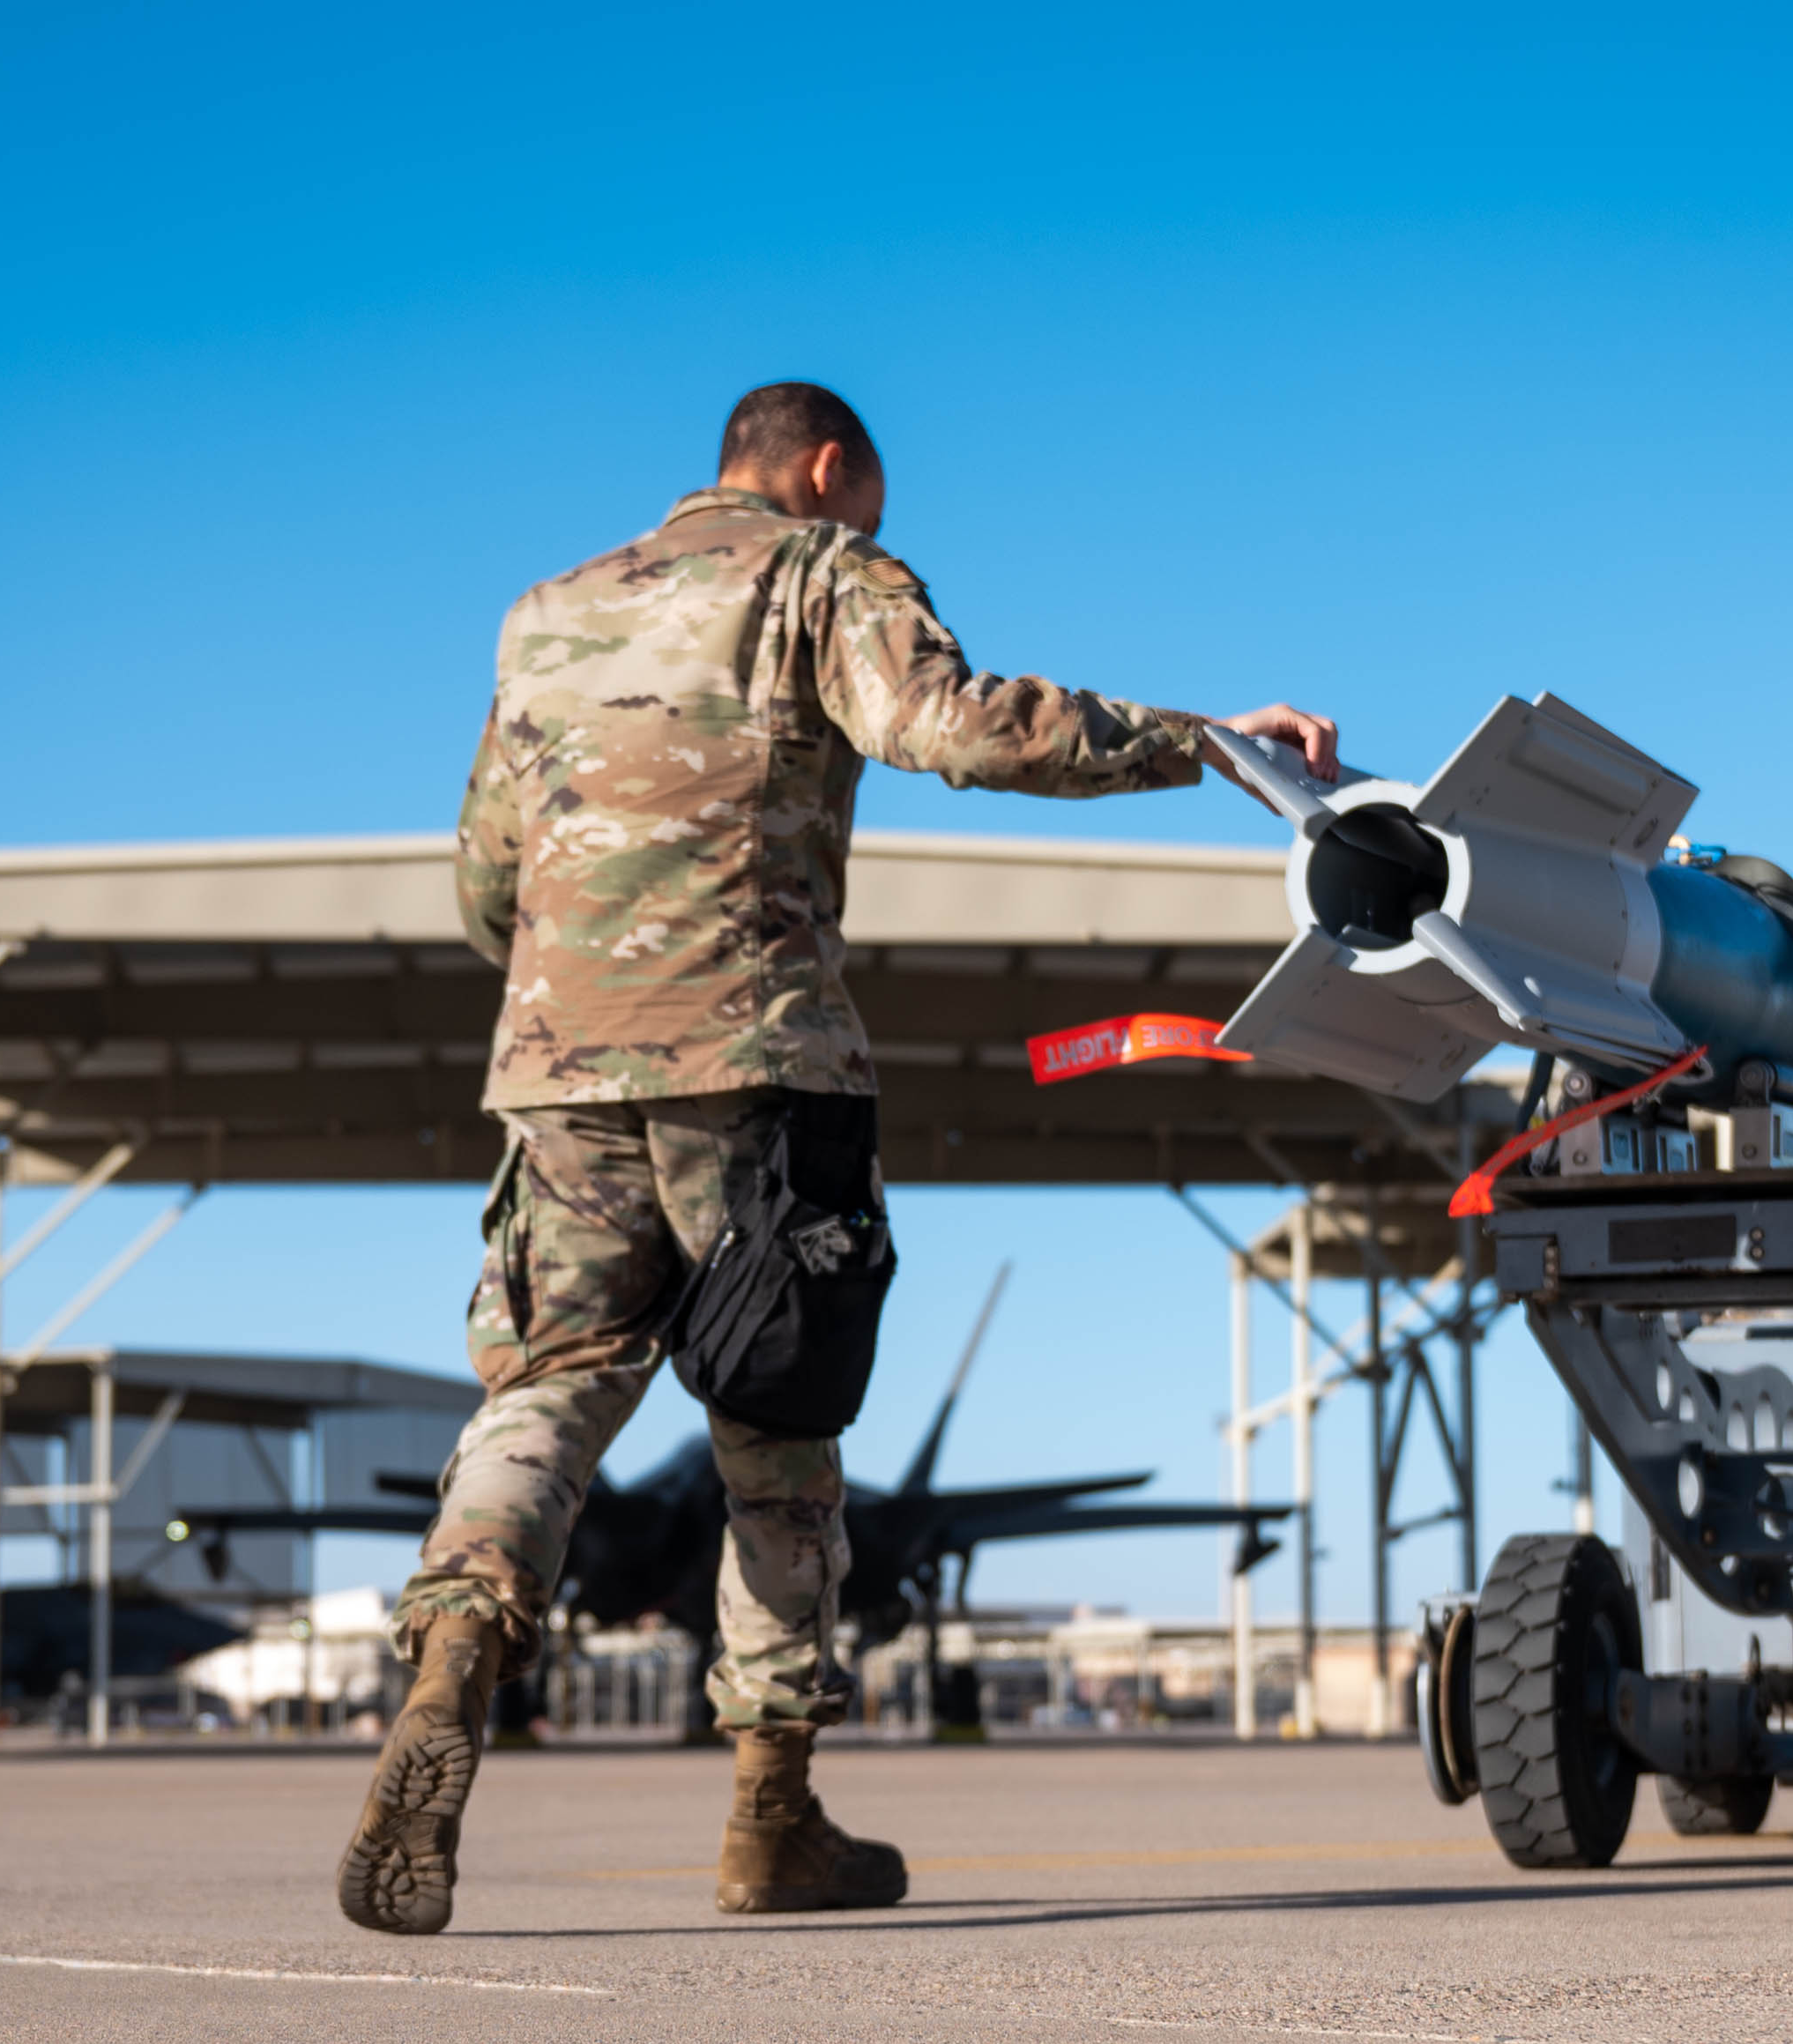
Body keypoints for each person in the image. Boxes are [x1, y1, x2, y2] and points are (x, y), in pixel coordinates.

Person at [339, 381, 1338, 1934]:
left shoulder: (543, 614)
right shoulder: (820, 571)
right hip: (762, 1068)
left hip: (558, 1073)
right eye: (870, 499)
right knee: (778, 1436)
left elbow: (486, 879)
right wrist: (1199, 743)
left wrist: (578, 994)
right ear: (824, 471)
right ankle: (769, 1820)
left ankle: (455, 1662)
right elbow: (946, 725)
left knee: (542, 1391)